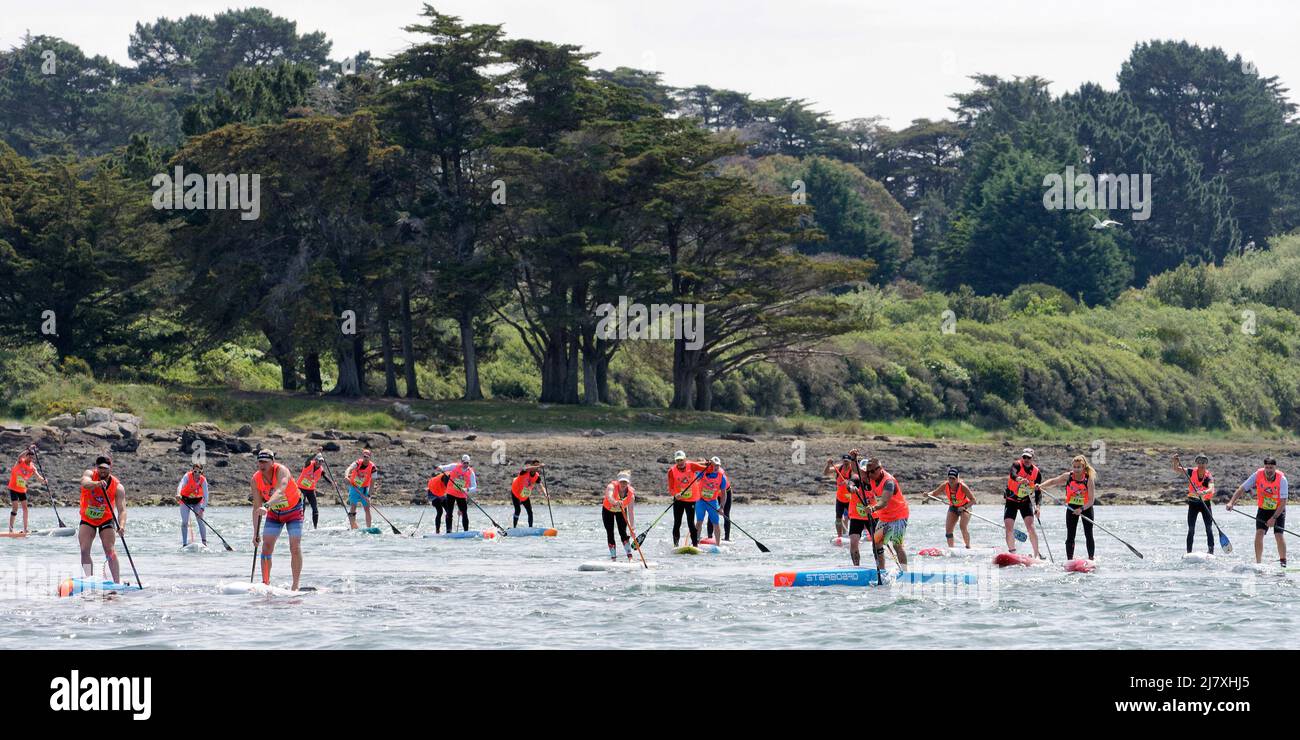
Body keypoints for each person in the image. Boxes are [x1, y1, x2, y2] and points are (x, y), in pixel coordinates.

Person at [251, 450, 304, 590]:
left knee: (294, 546)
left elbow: (280, 492)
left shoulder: (282, 471)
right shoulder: (255, 479)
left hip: (294, 510)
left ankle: (295, 585)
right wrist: (255, 533)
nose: (262, 465)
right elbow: (256, 507)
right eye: (260, 462)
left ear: (272, 462)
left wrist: (267, 505)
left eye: (265, 462)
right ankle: (265, 583)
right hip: (275, 513)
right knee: (266, 547)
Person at [1226, 457, 1289, 567]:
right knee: (1259, 534)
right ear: (1264, 467)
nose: (1269, 470)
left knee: (1278, 534)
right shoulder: (1257, 475)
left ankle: (1283, 562)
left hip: (1278, 509)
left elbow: (1283, 502)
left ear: (1275, 468)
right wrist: (1231, 502)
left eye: (1271, 468)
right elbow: (1242, 489)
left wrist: (1274, 518)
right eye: (1267, 467)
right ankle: (1258, 563)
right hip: (1263, 509)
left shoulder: (1282, 479)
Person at [77, 455, 126, 581]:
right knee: (84, 550)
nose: (102, 471)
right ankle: (89, 579)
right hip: (88, 519)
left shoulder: (118, 487)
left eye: (105, 468)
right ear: (96, 468)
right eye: (100, 468)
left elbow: (122, 510)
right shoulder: (89, 474)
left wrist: (121, 526)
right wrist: (97, 484)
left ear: (110, 468)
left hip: (106, 519)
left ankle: (117, 582)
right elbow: (84, 483)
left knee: (109, 550)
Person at [1038, 455, 1097, 561]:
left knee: (1088, 534)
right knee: (1070, 535)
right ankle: (1069, 560)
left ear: (1083, 467)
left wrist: (1081, 509)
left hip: (1086, 508)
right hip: (1071, 508)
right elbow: (1053, 482)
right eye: (1074, 467)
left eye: (1078, 467)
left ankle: (1091, 558)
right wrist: (1040, 486)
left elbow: (1091, 500)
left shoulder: (1088, 479)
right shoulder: (1068, 476)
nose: (1076, 469)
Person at [862, 457, 910, 571]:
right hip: (885, 517)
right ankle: (882, 571)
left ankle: (905, 572)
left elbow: (884, 502)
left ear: (880, 469)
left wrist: (873, 508)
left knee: (897, 544)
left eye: (873, 471)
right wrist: (853, 459)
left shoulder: (889, 482)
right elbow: (857, 471)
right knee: (877, 543)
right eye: (868, 472)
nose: (870, 474)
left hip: (899, 515)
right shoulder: (870, 476)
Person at [1004, 448, 1044, 558]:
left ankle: (1036, 555)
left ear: (1032, 459)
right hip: (1011, 501)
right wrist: (1018, 478)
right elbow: (1012, 474)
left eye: (1029, 458)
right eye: (1024, 457)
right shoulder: (1016, 465)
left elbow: (1038, 492)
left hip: (1025, 502)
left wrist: (1038, 507)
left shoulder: (1036, 473)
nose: (1026, 459)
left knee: (1031, 528)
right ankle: (1012, 553)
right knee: (1008, 528)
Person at [1172, 453, 1215, 554]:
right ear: (1196, 463)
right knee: (1191, 529)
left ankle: (1211, 551)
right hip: (1193, 504)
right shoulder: (1191, 472)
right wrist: (1175, 461)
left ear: (1206, 464)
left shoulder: (1208, 476)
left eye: (1203, 462)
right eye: (1199, 462)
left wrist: (1203, 492)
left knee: (1209, 528)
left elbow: (1211, 488)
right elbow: (1176, 469)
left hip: (1205, 504)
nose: (1201, 465)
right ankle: (1189, 552)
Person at [923, 467, 975, 549]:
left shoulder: (963, 487)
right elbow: (935, 493)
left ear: (957, 478)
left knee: (962, 526)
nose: (951, 481)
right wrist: (928, 494)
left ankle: (968, 547)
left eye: (953, 478)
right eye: (949, 478)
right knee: (948, 530)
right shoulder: (945, 485)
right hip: (953, 507)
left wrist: (964, 507)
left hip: (965, 507)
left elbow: (973, 500)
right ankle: (951, 549)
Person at [845, 459, 880, 568]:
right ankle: (856, 567)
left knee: (877, 543)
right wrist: (851, 488)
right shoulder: (856, 478)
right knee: (854, 541)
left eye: (867, 472)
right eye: (863, 472)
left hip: (872, 515)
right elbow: (850, 483)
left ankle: (879, 566)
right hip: (856, 516)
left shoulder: (875, 481)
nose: (866, 475)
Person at [666, 450, 705, 547]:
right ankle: (676, 545)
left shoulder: (691, 465)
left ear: (685, 459)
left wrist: (711, 464)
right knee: (677, 523)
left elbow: (706, 468)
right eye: (678, 460)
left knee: (691, 523)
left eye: (681, 460)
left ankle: (695, 545)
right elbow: (671, 488)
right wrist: (675, 494)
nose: (680, 462)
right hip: (678, 500)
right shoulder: (671, 471)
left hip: (690, 500)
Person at [8, 448, 46, 534]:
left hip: (22, 489)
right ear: (26, 456)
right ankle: (10, 529)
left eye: (32, 458)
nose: (31, 459)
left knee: (25, 508)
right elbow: (19, 456)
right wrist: (28, 449)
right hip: (13, 488)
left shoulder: (32, 467)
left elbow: (38, 477)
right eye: (29, 457)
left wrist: (43, 480)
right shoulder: (20, 461)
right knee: (15, 508)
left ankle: (25, 529)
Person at [602, 470, 637, 561]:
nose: (623, 484)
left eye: (625, 482)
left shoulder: (631, 495)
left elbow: (631, 511)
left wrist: (632, 528)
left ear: (628, 482)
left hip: (621, 511)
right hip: (608, 510)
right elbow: (609, 497)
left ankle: (630, 557)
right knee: (610, 532)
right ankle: (613, 558)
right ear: (618, 481)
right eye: (621, 481)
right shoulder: (611, 487)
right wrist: (615, 502)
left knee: (623, 533)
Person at [438, 455, 477, 532]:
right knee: (449, 513)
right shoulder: (454, 466)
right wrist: (440, 467)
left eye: (467, 463)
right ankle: (448, 531)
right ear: (461, 461)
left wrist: (466, 489)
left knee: (464, 513)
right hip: (451, 493)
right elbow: (444, 467)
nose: (465, 464)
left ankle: (466, 531)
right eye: (464, 462)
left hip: (461, 495)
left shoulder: (471, 472)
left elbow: (474, 487)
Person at [175, 462, 209, 547]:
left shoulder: (203, 480)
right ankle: (184, 544)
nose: (197, 474)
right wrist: (178, 494)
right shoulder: (187, 476)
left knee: (200, 520)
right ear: (192, 471)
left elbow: (206, 496)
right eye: (195, 472)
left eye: (199, 472)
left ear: (202, 472)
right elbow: (180, 484)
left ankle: (204, 543)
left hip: (197, 501)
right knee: (185, 522)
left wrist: (202, 509)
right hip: (185, 500)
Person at [344, 449, 379, 530]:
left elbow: (372, 484)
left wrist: (369, 496)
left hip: (364, 489)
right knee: (353, 507)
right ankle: (353, 527)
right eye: (364, 456)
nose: (365, 458)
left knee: (367, 508)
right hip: (354, 487)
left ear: (370, 457)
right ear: (362, 456)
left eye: (367, 456)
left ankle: (369, 528)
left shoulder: (373, 468)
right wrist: (346, 476)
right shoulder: (357, 463)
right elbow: (348, 469)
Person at [696, 457, 729, 542]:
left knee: (716, 523)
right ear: (710, 465)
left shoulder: (722, 477)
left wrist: (721, 507)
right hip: (701, 501)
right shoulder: (703, 472)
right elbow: (695, 479)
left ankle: (718, 545)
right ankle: (695, 542)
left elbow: (723, 493)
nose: (716, 468)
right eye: (714, 465)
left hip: (713, 501)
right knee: (699, 521)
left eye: (717, 466)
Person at [296, 454, 331, 529]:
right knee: (302, 507)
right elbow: (308, 459)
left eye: (322, 461)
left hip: (311, 490)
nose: (320, 463)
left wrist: (332, 483)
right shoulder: (308, 464)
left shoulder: (321, 469)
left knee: (315, 508)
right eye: (318, 461)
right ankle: (299, 526)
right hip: (301, 489)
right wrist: (316, 453)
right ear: (315, 460)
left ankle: (315, 527)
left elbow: (325, 476)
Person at [824, 453, 856, 537]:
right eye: (844, 461)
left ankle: (853, 534)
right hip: (840, 498)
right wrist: (828, 465)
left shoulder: (852, 470)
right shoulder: (838, 467)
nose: (845, 463)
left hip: (850, 499)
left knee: (853, 518)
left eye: (847, 462)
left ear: (850, 462)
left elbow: (856, 480)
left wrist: (848, 482)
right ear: (842, 461)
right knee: (838, 518)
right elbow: (825, 473)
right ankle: (840, 536)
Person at [511, 460, 544, 528]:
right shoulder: (524, 472)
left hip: (524, 495)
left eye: (537, 467)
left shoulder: (537, 476)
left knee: (530, 511)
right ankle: (514, 528)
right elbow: (526, 468)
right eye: (535, 466)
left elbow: (542, 486)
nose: (536, 468)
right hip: (516, 493)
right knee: (518, 510)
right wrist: (538, 466)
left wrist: (546, 494)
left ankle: (530, 528)